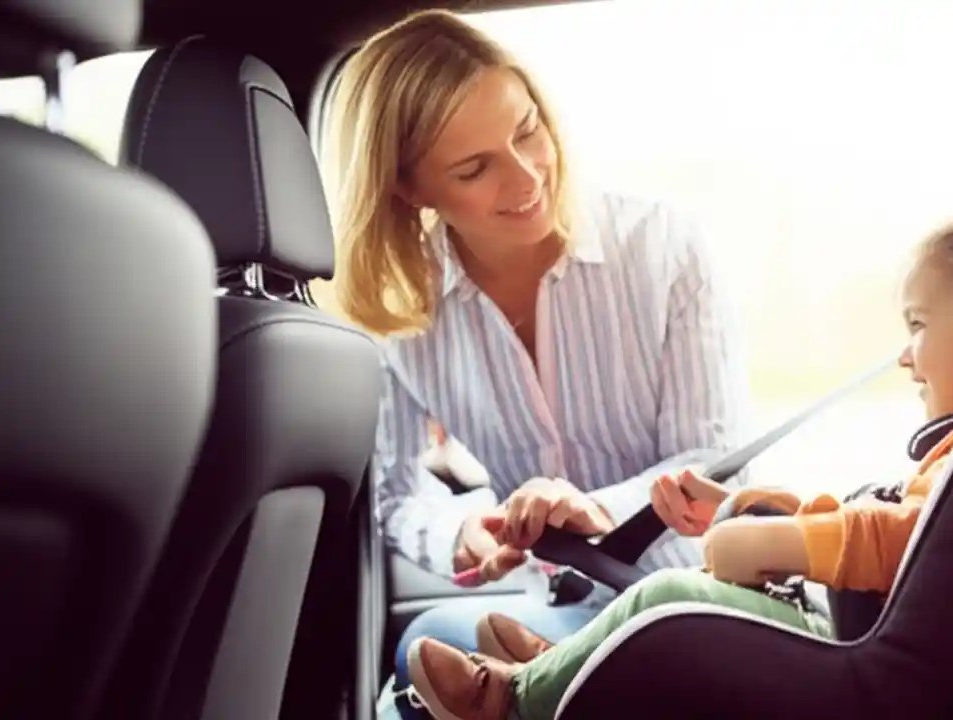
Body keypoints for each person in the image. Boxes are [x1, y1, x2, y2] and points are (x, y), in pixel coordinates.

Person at [398, 194, 953, 720]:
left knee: (667, 597)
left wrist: (777, 542)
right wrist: (756, 510)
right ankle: (569, 673)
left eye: (918, 325)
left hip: (873, 661)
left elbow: (903, 540)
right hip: (869, 636)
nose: (905, 357)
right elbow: (888, 523)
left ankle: (515, 702)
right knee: (671, 597)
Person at [318, 9, 750, 717]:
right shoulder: (401, 310)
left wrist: (596, 508)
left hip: (689, 594)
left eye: (527, 132)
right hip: (556, 606)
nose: (526, 178)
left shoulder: (663, 246)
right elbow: (396, 494)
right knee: (424, 654)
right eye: (474, 168)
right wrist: (464, 532)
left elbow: (714, 461)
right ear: (409, 189)